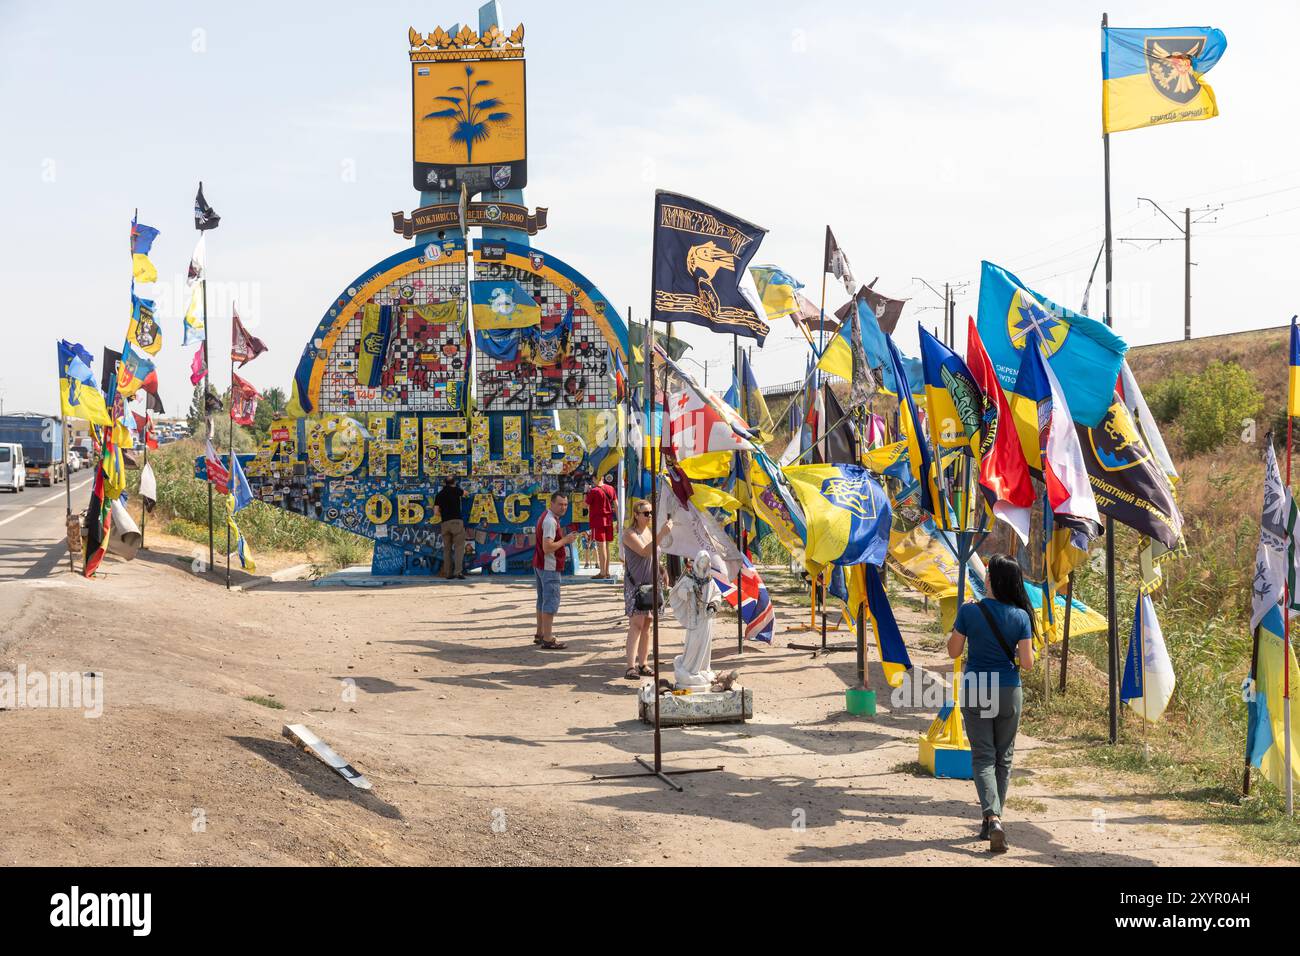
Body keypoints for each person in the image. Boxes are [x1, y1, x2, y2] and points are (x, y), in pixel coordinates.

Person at [947, 554, 1037, 854]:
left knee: (983, 755)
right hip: (1008, 690)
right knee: (1003, 757)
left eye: (987, 575)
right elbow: (1027, 663)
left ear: (993, 580)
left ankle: (992, 817)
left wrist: (963, 624)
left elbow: (953, 651)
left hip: (976, 689)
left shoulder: (970, 612)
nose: (983, 578)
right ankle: (994, 819)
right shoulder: (1021, 616)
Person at [619, 499, 670, 680]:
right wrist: (662, 533)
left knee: (648, 624)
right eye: (646, 513)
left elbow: (654, 555)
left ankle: (643, 663)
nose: (649, 516)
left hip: (651, 584)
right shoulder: (629, 534)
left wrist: (662, 570)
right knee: (636, 624)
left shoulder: (649, 532)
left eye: (651, 513)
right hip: (636, 585)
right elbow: (644, 552)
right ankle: (630, 666)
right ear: (636, 515)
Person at [533, 491, 578, 650]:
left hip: (541, 565)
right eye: (560, 504)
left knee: (542, 601)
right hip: (549, 566)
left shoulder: (546, 517)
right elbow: (547, 547)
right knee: (550, 602)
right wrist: (565, 540)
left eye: (565, 504)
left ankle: (540, 633)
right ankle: (548, 637)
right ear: (551, 504)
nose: (563, 507)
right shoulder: (550, 521)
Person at [584, 475, 617, 581]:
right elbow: (616, 505)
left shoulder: (593, 491)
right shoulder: (611, 488)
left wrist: (586, 492)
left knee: (601, 546)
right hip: (609, 520)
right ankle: (606, 571)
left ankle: (602, 572)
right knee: (606, 547)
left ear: (594, 478)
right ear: (603, 477)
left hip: (598, 521)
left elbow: (585, 505)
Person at [435, 476, 467, 579]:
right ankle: (458, 572)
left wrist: (444, 515)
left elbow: (436, 512)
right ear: (455, 482)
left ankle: (448, 573)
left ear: (445, 483)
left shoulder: (439, 494)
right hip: (456, 522)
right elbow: (466, 493)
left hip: (445, 523)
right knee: (459, 548)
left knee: (447, 549)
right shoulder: (456, 490)